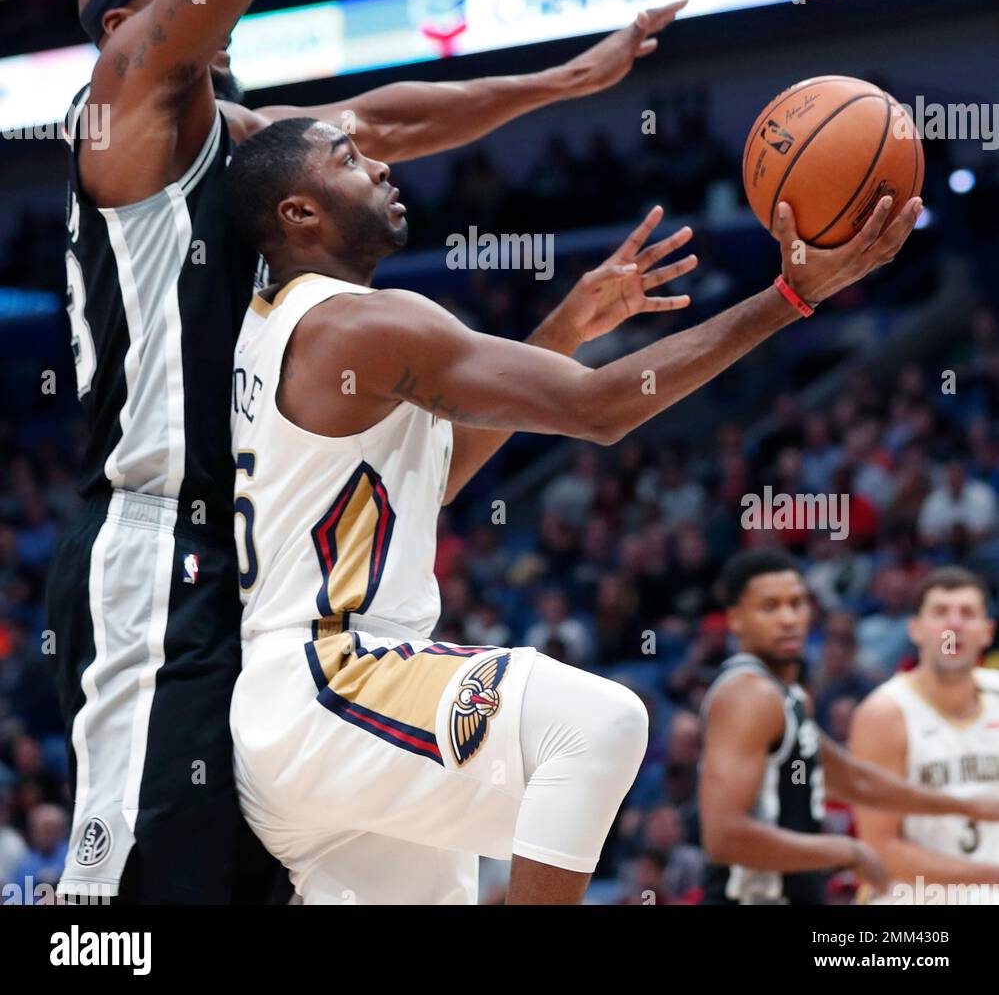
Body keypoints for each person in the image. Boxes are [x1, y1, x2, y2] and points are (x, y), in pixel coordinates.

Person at [48, 0, 687, 905]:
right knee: (121, 904)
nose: (222, 11)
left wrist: (569, 75)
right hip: (155, 550)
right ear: (131, 29)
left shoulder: (236, 147)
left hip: (255, 552)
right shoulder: (119, 123)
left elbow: (382, 119)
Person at [222, 114, 919, 903]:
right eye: (349, 160)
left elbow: (439, 476)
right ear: (298, 214)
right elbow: (601, 410)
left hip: (310, 720)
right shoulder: (363, 322)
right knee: (595, 725)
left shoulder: (275, 326)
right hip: (334, 679)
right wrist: (791, 294)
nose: (380, 167)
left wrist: (566, 330)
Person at [698, 550, 999, 905]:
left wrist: (965, 805)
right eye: (770, 607)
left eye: (797, 604)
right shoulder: (748, 694)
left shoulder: (788, 695)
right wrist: (847, 851)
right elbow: (723, 837)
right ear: (736, 620)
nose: (788, 619)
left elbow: (853, 780)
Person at [849, 566, 999, 903]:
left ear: (987, 632)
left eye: (968, 613)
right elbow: (878, 851)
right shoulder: (885, 714)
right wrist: (990, 877)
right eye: (941, 612)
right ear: (915, 629)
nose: (954, 624)